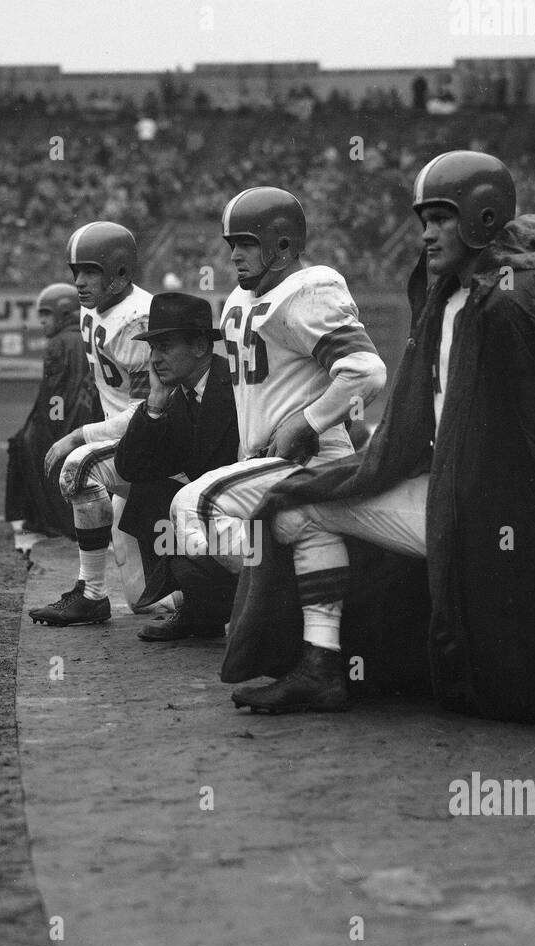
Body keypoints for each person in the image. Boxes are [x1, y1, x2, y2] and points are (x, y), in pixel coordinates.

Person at [226, 151, 535, 723]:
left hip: (503, 514)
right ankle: (322, 669)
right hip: (447, 495)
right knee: (296, 507)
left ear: (483, 217)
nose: (426, 234)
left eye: (442, 217)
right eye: (425, 219)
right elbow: (427, 424)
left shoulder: (521, 301)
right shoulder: (449, 294)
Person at [167, 186, 387, 664]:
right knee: (284, 536)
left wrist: (305, 423)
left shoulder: (310, 289)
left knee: (195, 507)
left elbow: (365, 370)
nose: (235, 257)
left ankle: (270, 603)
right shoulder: (238, 302)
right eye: (231, 245)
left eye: (246, 243)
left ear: (283, 245)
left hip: (309, 460)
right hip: (264, 461)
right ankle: (291, 623)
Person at [29, 222, 155, 626]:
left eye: (90, 271)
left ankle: (91, 596)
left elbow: (145, 410)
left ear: (120, 272)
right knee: (143, 601)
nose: (79, 282)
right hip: (126, 439)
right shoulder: (91, 310)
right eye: (75, 271)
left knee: (77, 466)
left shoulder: (138, 319)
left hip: (156, 443)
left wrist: (79, 435)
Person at [112, 293, 241, 641]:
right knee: (148, 492)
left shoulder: (239, 385)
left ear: (200, 346)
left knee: (185, 508)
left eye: (165, 347)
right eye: (153, 348)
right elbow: (131, 468)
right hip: (208, 521)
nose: (155, 359)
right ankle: (197, 608)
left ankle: (233, 605)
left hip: (249, 522)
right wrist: (153, 405)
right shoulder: (176, 395)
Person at [4, 282, 99, 538]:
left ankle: (47, 521)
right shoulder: (86, 335)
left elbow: (53, 395)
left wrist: (45, 429)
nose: (42, 322)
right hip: (89, 419)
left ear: (64, 313)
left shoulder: (57, 343)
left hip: (65, 421)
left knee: (24, 443)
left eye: (47, 315)